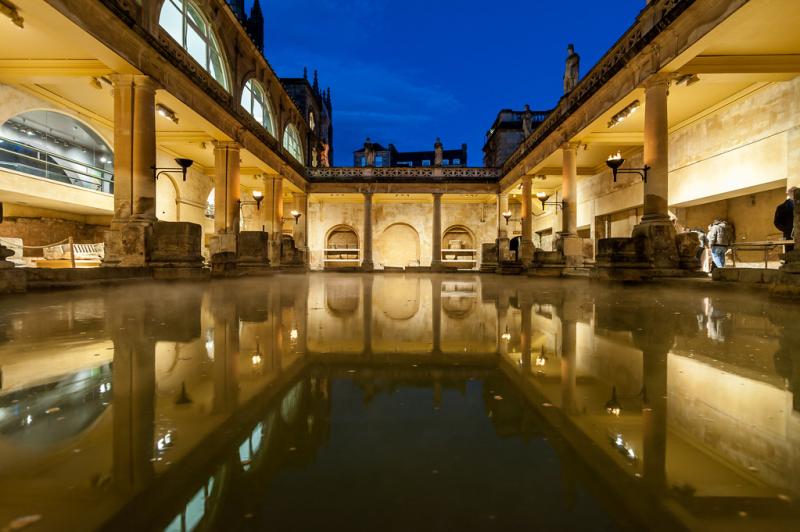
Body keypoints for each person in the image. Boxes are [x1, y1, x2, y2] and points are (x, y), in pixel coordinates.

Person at [774, 187, 796, 253]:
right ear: (788, 194)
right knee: (790, 254)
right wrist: (787, 229)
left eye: (795, 192)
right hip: (789, 236)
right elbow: (776, 222)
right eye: (792, 192)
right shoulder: (781, 207)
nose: (794, 194)